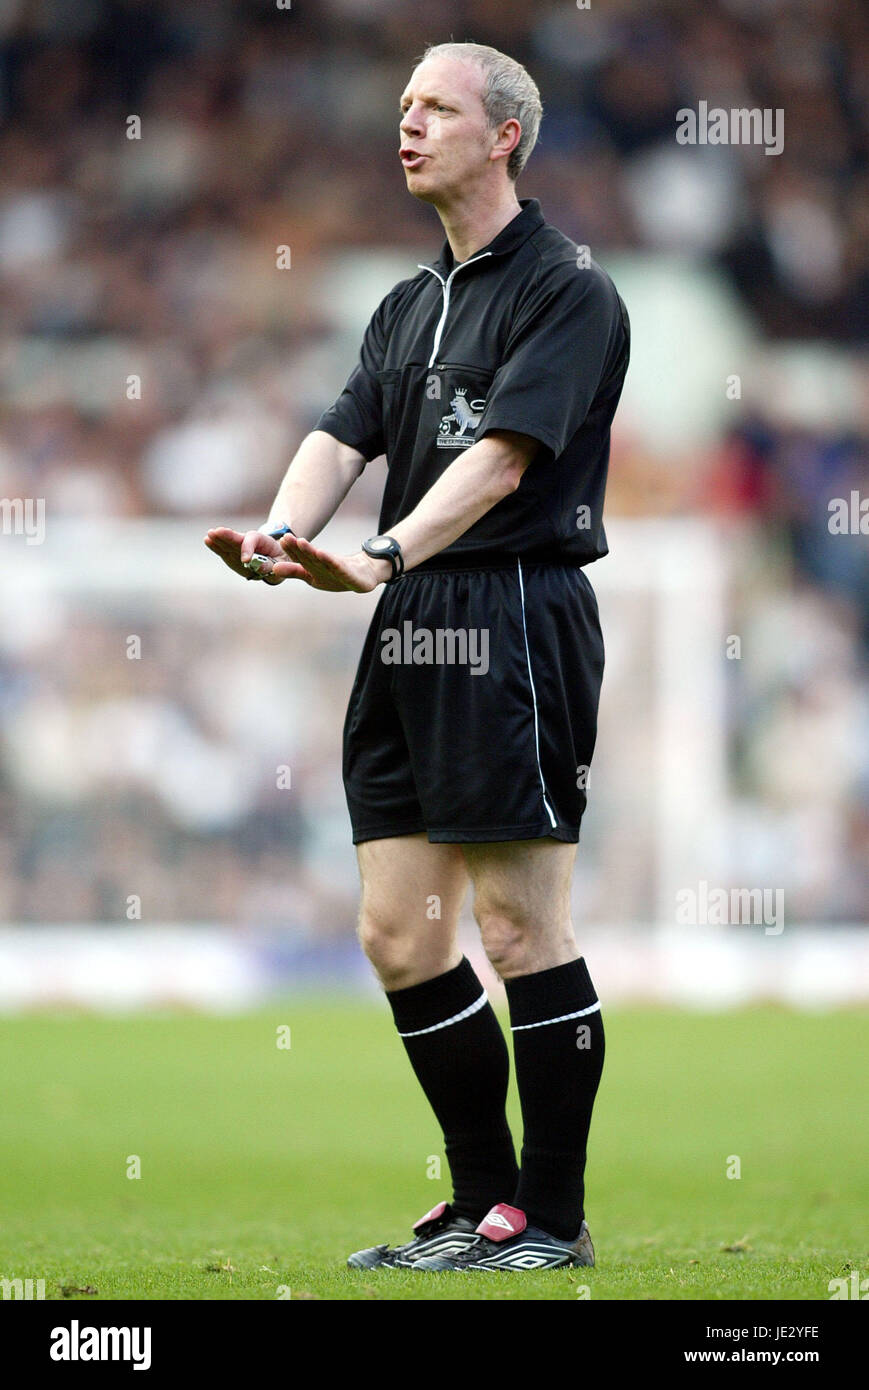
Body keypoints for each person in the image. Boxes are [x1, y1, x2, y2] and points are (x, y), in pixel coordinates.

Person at [205, 41, 630, 1272]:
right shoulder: (406, 301)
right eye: (400, 106)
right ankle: (480, 1202)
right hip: (409, 621)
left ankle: (551, 1217)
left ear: (504, 134)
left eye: (434, 108)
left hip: (511, 613)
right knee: (398, 933)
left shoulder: (568, 288)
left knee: (515, 927)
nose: (405, 125)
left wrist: (381, 557)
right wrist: (286, 535)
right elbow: (341, 436)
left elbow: (501, 460)